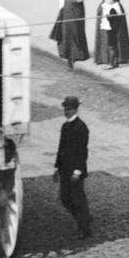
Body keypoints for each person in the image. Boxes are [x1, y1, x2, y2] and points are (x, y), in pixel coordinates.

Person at [54, 96, 91, 239]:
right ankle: (84, 219)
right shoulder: (65, 126)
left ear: (75, 109)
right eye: (65, 109)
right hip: (64, 170)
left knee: (78, 200)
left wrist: (78, 171)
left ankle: (85, 229)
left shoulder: (81, 127)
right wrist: (57, 168)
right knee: (64, 198)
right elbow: (61, 148)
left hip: (75, 171)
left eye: (68, 109)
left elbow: (82, 152)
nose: (66, 111)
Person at [50, 0, 91, 68]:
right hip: (67, 7)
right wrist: (61, 6)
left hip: (77, 6)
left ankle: (79, 53)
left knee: (76, 29)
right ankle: (67, 53)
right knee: (66, 30)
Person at [93, 0, 129, 69]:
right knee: (120, 34)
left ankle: (107, 59)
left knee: (107, 36)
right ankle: (122, 56)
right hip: (117, 9)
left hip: (106, 11)